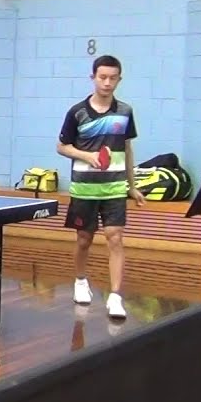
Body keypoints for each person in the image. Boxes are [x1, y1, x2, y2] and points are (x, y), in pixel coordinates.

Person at [55, 55, 146, 319]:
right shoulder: (77, 112)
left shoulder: (125, 112)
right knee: (84, 239)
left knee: (115, 237)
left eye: (113, 78)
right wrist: (86, 156)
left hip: (115, 188)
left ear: (119, 79)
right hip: (84, 188)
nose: (107, 82)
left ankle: (116, 297)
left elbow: (127, 148)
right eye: (102, 77)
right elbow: (62, 146)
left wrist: (132, 185)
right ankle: (81, 281)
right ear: (93, 77)